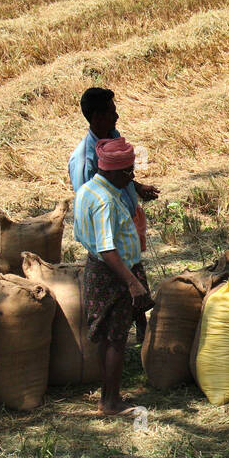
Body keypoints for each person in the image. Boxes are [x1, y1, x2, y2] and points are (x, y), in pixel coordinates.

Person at [73, 136, 154, 417]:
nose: (130, 178)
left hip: (100, 268)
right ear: (111, 170)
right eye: (127, 173)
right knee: (116, 338)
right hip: (113, 273)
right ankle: (110, 401)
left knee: (107, 336)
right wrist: (131, 282)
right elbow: (108, 249)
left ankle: (109, 394)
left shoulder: (88, 190)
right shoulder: (105, 201)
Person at [69, 86, 157, 340]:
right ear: (96, 117)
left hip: (125, 223)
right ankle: (119, 341)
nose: (116, 117)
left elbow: (120, 176)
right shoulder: (85, 161)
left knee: (137, 280)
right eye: (111, 112)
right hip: (110, 234)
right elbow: (90, 204)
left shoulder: (112, 136)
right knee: (123, 288)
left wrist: (137, 186)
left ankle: (142, 330)